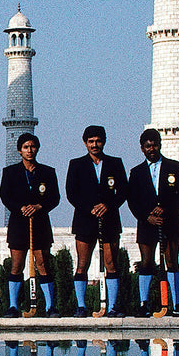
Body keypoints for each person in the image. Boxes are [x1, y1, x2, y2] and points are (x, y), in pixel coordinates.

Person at [65, 125, 128, 317]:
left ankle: (112, 307)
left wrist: (108, 206)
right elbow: (71, 193)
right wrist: (89, 208)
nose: (95, 145)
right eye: (91, 141)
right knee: (82, 264)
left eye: (98, 141)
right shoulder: (76, 164)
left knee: (111, 263)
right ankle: (81, 306)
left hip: (109, 219)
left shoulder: (115, 163)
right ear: (85, 143)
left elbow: (124, 191)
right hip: (85, 219)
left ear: (104, 141)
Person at [127, 128, 179, 316]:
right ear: (142, 148)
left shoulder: (174, 167)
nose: (152, 149)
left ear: (160, 145)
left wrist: (166, 208)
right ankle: (144, 304)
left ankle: (177, 305)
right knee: (146, 263)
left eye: (155, 145)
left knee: (172, 262)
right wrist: (147, 216)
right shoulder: (137, 172)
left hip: (170, 221)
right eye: (148, 146)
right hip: (147, 223)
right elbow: (132, 200)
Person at [0, 133, 62, 318]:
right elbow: (5, 195)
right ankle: (13, 306)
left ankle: (50, 306)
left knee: (42, 264)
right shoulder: (10, 172)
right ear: (19, 150)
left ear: (37, 148)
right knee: (16, 265)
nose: (29, 150)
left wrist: (39, 206)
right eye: (26, 147)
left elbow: (55, 197)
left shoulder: (47, 172)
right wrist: (21, 208)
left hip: (40, 222)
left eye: (32, 146)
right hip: (19, 222)